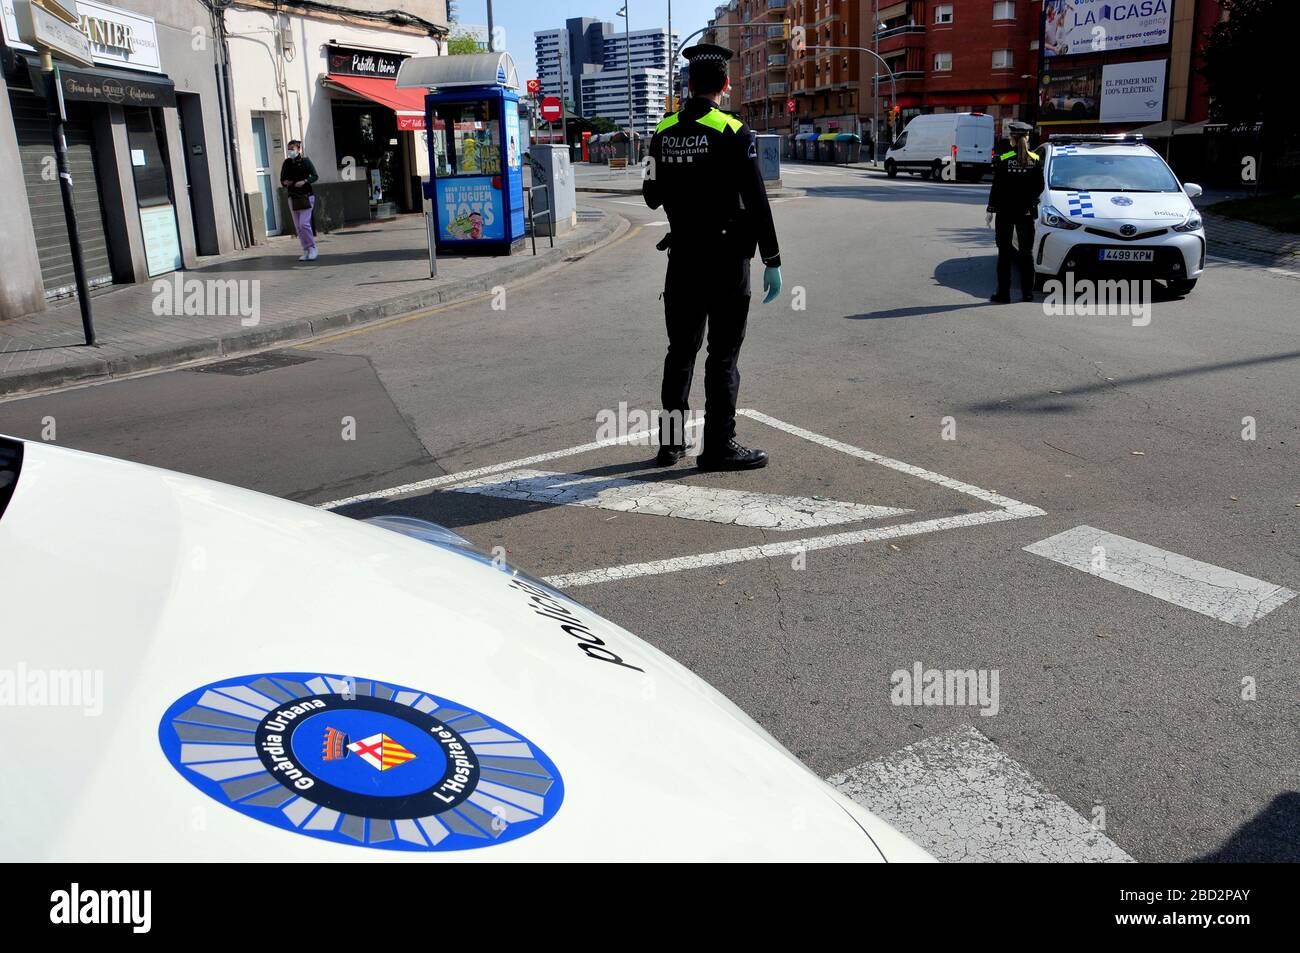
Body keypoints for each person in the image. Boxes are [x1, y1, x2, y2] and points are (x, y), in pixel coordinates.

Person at [643, 43, 783, 471]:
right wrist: (772, 259)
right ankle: (719, 446)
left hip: (682, 258)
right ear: (725, 85)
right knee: (722, 355)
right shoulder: (734, 132)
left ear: (688, 84)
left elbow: (650, 196)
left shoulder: (662, 131)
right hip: (725, 261)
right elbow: (758, 202)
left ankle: (670, 445)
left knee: (679, 352)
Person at [986, 121, 1043, 303]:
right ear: (1027, 137)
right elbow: (1040, 186)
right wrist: (1030, 201)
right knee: (1026, 253)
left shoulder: (1004, 159)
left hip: (1005, 212)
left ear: (1012, 138)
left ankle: (1003, 294)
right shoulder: (1035, 159)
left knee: (1004, 253)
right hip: (1025, 212)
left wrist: (991, 209)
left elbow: (997, 187)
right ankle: (1027, 293)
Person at [280, 140, 319, 262]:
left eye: (292, 149)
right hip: (293, 197)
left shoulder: (305, 162)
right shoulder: (286, 163)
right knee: (298, 227)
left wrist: (304, 181)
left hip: (306, 196)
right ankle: (305, 249)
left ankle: (313, 248)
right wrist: (286, 182)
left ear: (298, 149)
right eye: (289, 149)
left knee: (304, 224)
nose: (290, 151)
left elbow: (315, 176)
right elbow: (282, 179)